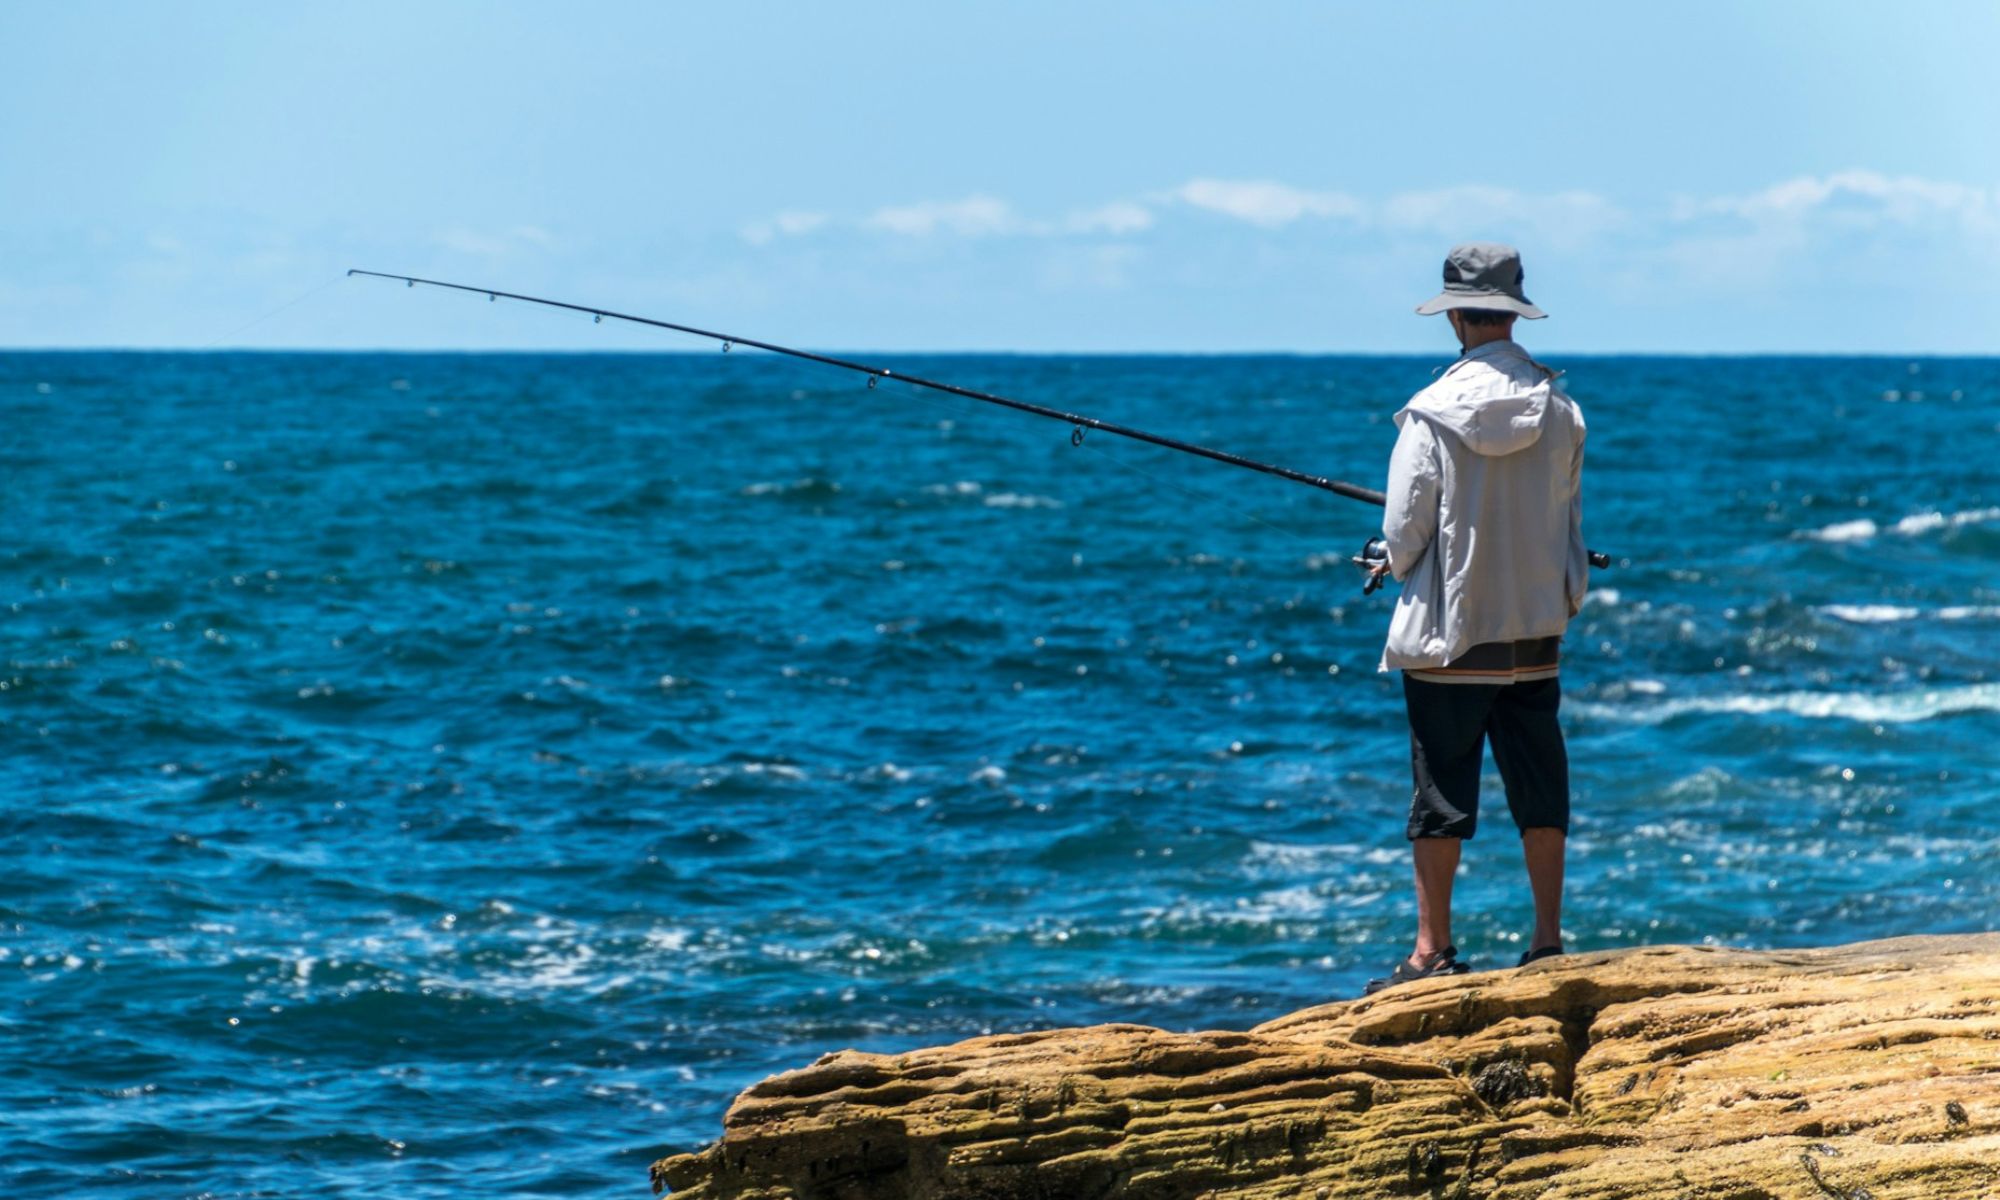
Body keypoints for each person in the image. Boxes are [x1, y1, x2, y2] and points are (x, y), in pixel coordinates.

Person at [1362, 242, 1589, 994]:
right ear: (1513, 312)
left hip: (1452, 639)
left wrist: (1385, 563)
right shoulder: (1560, 410)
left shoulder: (1428, 415)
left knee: (1442, 790)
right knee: (1539, 782)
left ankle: (1432, 951)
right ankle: (1548, 941)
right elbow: (1567, 521)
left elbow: (1404, 535)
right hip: (1533, 630)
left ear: (1457, 315)